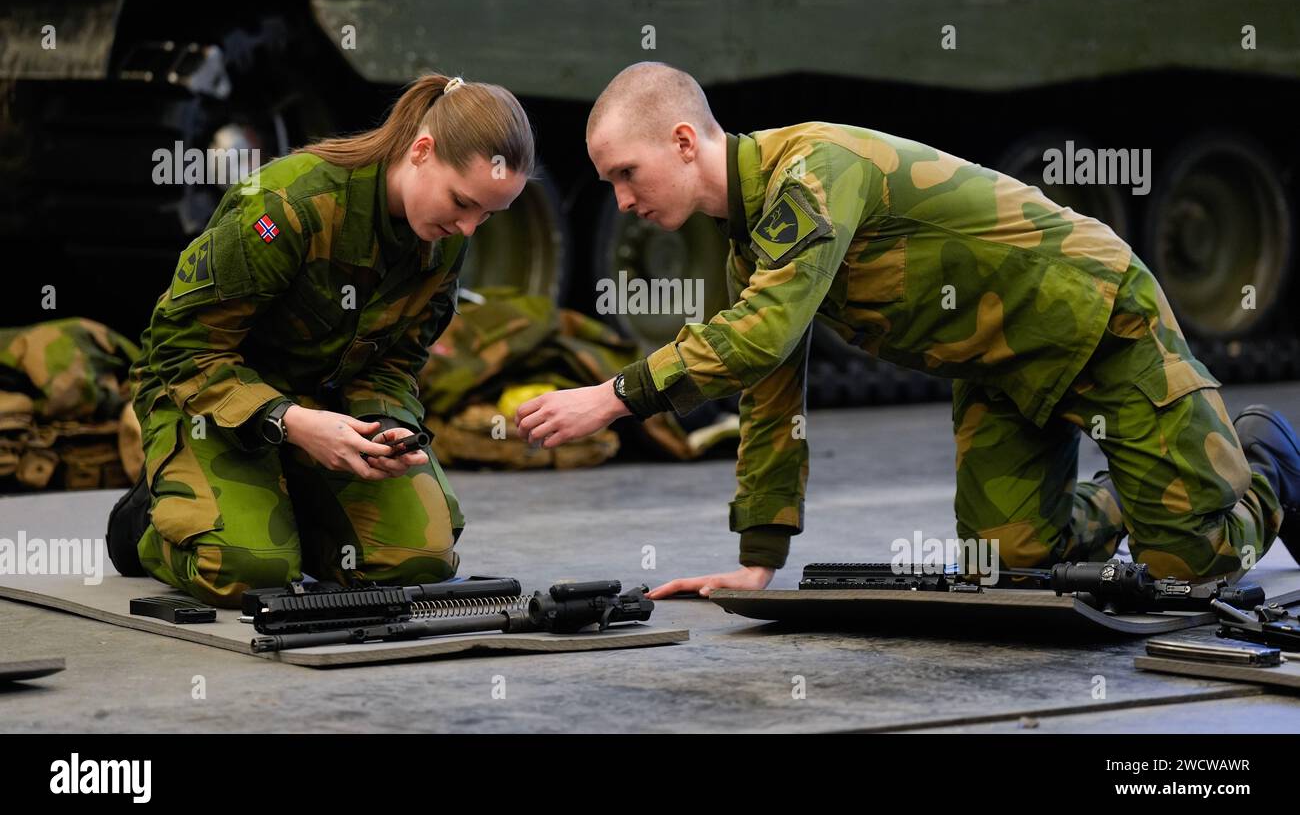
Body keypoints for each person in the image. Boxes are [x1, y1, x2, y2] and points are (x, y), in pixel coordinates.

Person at [516, 61, 1299, 597]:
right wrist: (758, 562)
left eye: (625, 173)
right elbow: (767, 396)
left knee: (1191, 570)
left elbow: (756, 335)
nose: (621, 200)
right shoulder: (750, 247)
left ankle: (1263, 457)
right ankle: (1143, 491)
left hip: (1096, 322)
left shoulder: (815, 168)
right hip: (999, 372)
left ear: (684, 141)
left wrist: (617, 396)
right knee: (1008, 573)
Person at [107, 74, 535, 607]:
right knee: (249, 572)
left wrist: (390, 429)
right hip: (207, 396)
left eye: (488, 215)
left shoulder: (441, 235)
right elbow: (180, 346)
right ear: (422, 151)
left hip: (324, 408)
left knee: (416, 562)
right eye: (463, 202)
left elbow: (394, 360)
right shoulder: (287, 204)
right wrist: (291, 422)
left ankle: (280, 508)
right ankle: (148, 522)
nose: (471, 228)